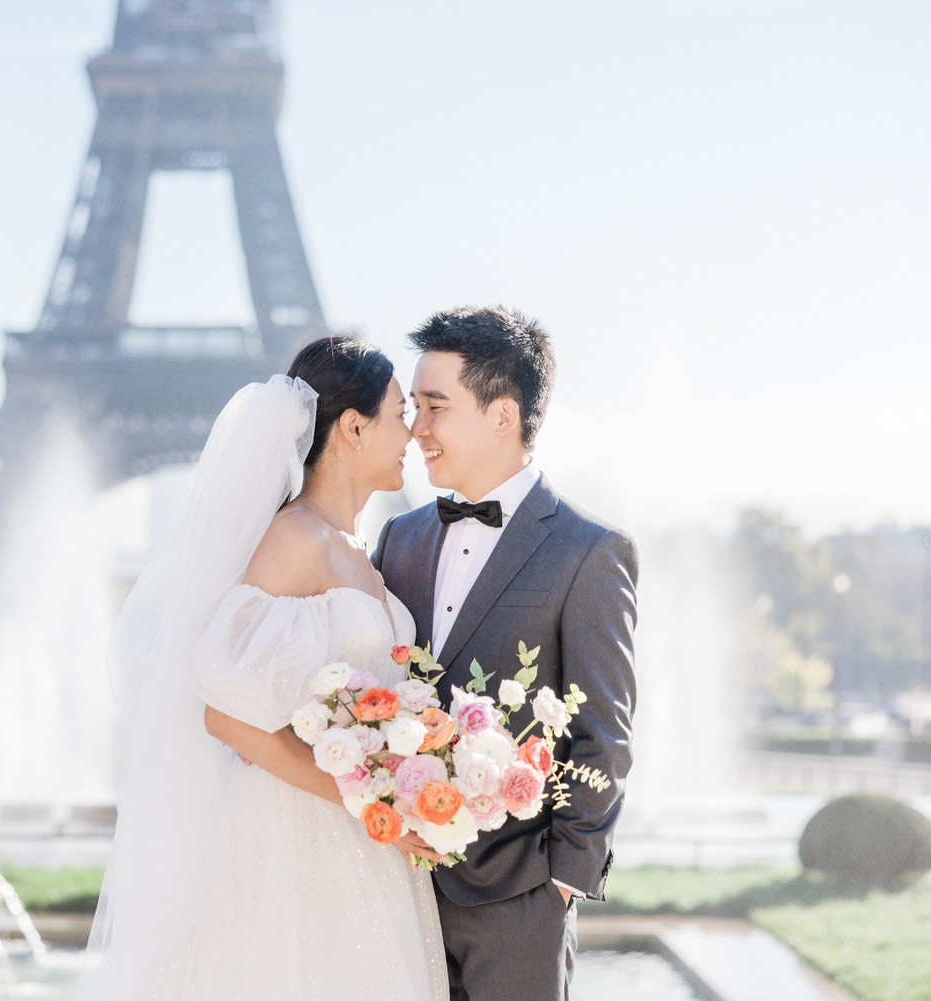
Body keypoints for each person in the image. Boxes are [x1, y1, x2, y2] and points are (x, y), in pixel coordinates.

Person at [75, 336, 448, 1001]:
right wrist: (369, 800)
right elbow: (227, 717)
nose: (413, 432)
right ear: (353, 426)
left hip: (361, 839)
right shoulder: (295, 537)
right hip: (294, 837)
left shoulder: (358, 547)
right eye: (399, 413)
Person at [373, 305, 639, 1001]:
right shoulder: (397, 539)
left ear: (502, 415)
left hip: (521, 901)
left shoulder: (591, 551)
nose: (416, 428)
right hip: (396, 890)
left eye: (435, 406)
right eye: (414, 406)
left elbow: (604, 734)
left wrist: (562, 880)